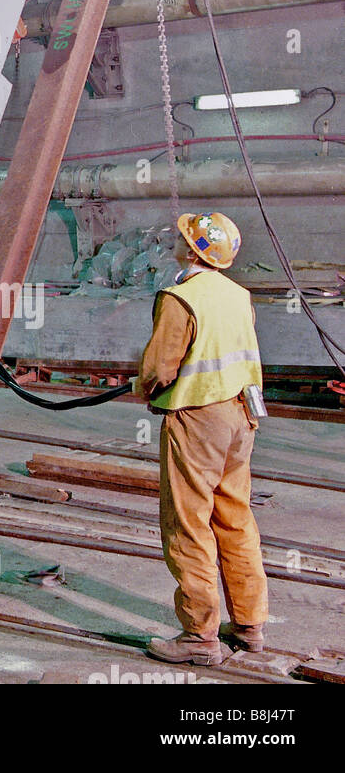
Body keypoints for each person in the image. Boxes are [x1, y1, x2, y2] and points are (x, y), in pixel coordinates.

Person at [138, 211, 269, 666]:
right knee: (234, 517)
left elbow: (159, 369)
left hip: (197, 418)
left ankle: (198, 636)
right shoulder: (239, 295)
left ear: (193, 250)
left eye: (182, 235)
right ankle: (249, 625)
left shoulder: (180, 297)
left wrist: (149, 391)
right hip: (241, 416)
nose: (176, 238)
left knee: (189, 523)